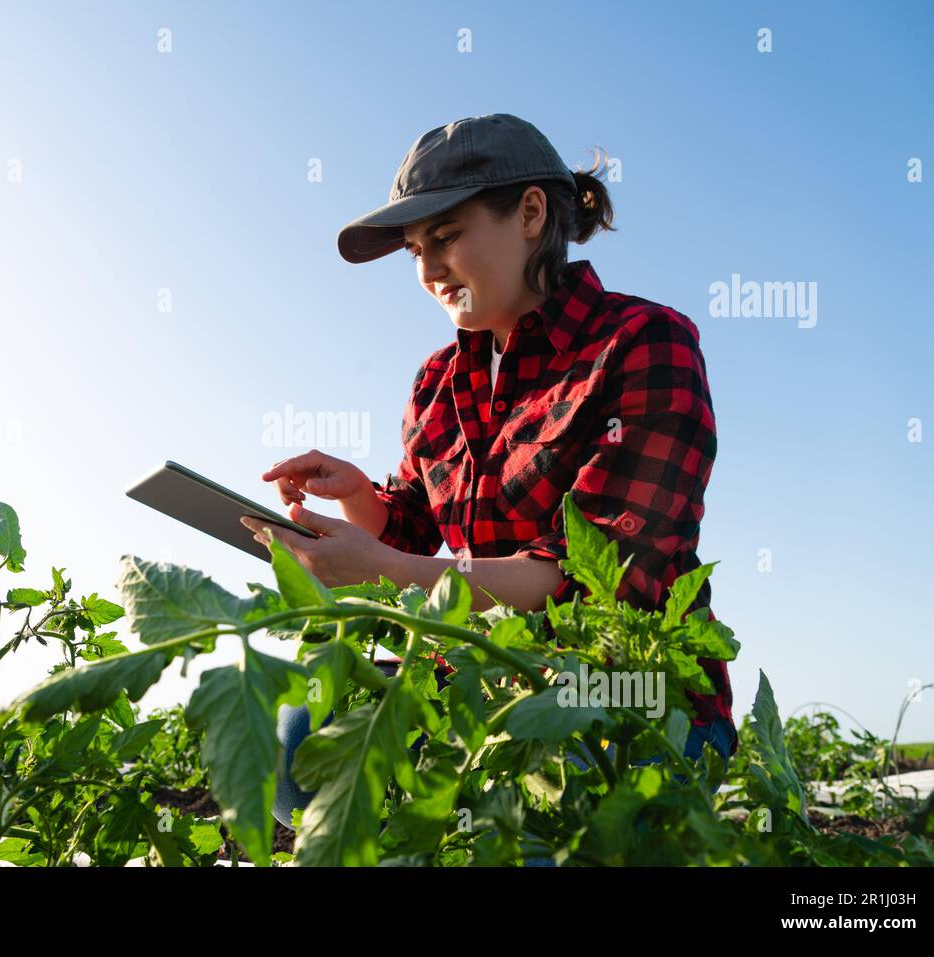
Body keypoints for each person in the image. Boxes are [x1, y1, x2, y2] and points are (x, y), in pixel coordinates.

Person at [238, 113, 737, 838]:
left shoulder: (643, 344)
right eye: (415, 249)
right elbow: (413, 524)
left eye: (445, 238)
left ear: (531, 213)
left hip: (624, 697)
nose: (427, 270)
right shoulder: (438, 381)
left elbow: (584, 580)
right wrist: (360, 498)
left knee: (538, 827)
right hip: (480, 682)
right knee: (295, 741)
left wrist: (386, 567)